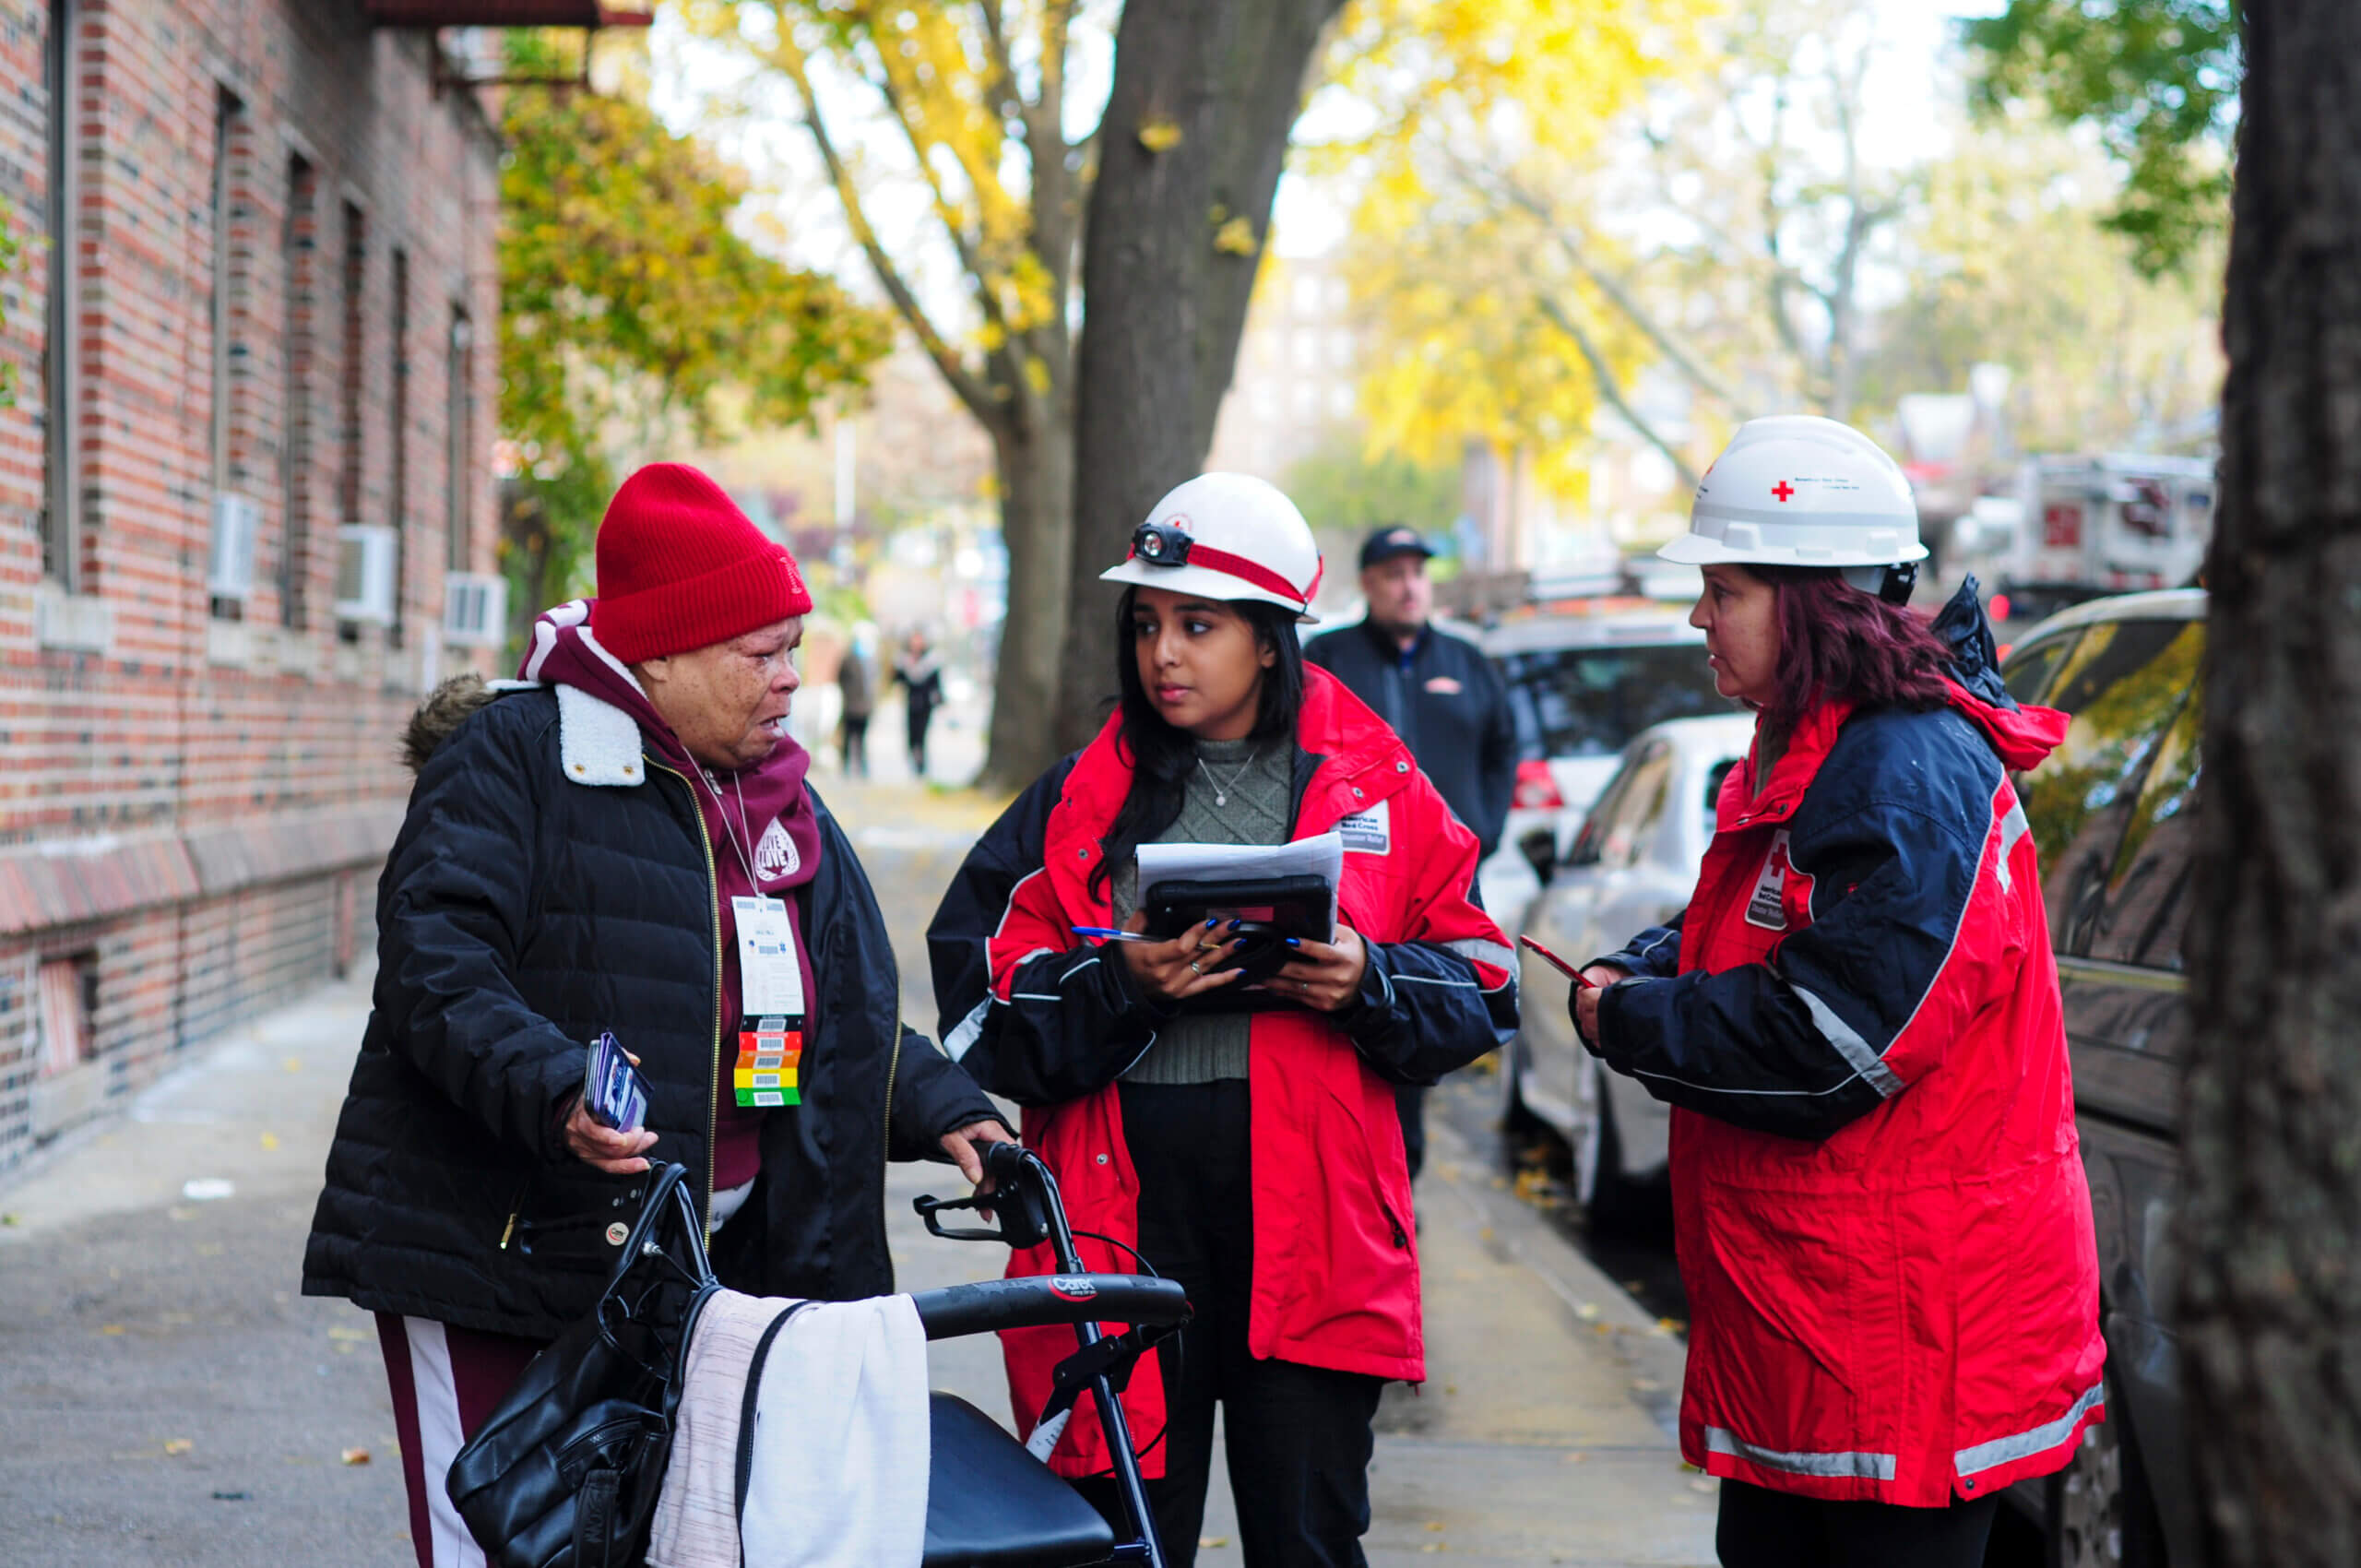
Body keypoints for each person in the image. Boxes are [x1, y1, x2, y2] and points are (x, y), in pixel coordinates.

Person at [302, 463, 1012, 1568]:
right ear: (663, 654)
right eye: (761, 652)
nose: (791, 679)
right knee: (497, 1539)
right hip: (499, 1244)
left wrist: (950, 1110)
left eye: (793, 647)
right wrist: (553, 1084)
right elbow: (436, 968)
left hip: (696, 1260)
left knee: (649, 1538)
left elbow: (837, 1011)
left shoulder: (775, 795)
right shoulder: (515, 756)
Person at [927, 472, 1518, 1568]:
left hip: (1315, 1236)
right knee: (1121, 1545)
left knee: (1306, 1538)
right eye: (1147, 622)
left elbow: (1486, 979)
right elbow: (978, 997)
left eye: (1198, 624)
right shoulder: (1075, 794)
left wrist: (1368, 982)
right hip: (1119, 1226)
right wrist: (1125, 986)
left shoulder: (1378, 785)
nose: (1164, 653)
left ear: (1271, 637)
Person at [1562, 418, 2104, 1568]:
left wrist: (1625, 1017)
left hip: (1897, 1349)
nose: (1698, 615)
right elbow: (1755, 924)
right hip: (1824, 1338)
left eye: (1723, 587)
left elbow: (1835, 1040)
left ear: (1815, 599)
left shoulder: (1902, 765)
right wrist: (1656, 963)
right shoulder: (1820, 744)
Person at [1304, 524, 1516, 1187]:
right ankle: (1342, 1180)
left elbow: (1503, 749)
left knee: (1420, 1025)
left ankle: (1400, 1182)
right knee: (1345, 1027)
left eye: (1417, 572)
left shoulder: (1467, 662)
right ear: (1368, 584)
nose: (1409, 585)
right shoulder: (1330, 657)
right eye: (1393, 573)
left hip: (1440, 881)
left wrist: (1484, 826)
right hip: (1355, 885)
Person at [894, 628, 944, 778]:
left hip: (925, 705)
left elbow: (937, 685)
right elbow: (898, 680)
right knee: (911, 737)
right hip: (911, 702)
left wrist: (939, 700)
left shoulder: (931, 661)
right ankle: (915, 763)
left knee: (921, 736)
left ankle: (921, 766)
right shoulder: (904, 660)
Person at [837, 627, 875, 778]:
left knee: (862, 740)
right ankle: (846, 767)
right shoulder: (848, 660)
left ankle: (862, 767)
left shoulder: (870, 661)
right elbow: (840, 679)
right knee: (848, 738)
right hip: (850, 707)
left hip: (865, 708)